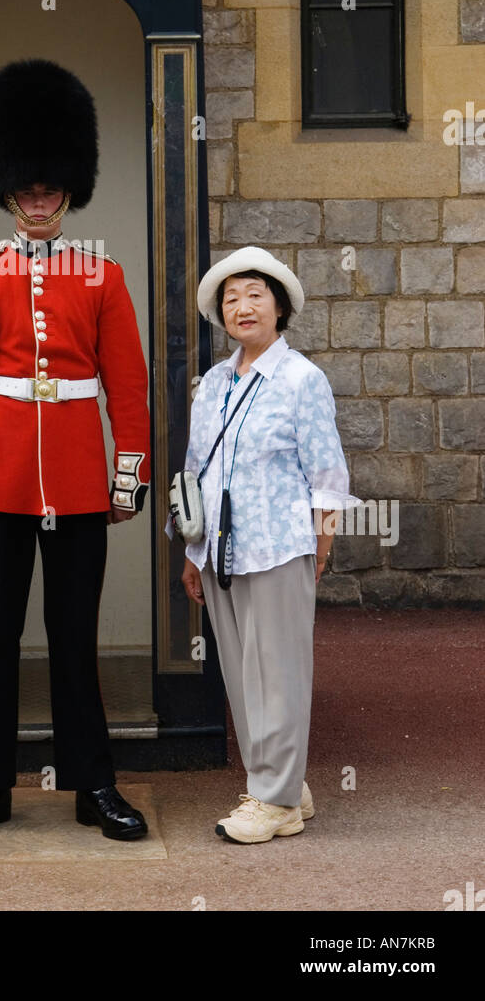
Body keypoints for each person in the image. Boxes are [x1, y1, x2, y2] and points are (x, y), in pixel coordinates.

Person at [0, 59, 151, 840]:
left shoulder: (103, 276)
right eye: (27, 189)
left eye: (51, 188)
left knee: (74, 640)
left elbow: (127, 389)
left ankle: (94, 788)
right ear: (9, 190)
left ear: (67, 188)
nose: (39, 200)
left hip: (81, 483)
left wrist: (129, 475)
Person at [175, 246, 357, 844]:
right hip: (221, 550)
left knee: (277, 673)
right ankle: (281, 784)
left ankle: (273, 799)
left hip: (280, 546)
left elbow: (327, 474)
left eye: (255, 294)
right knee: (241, 675)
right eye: (231, 297)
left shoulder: (303, 379)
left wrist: (320, 550)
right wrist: (191, 554)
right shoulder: (214, 384)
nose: (242, 306)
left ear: (280, 308)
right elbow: (197, 468)